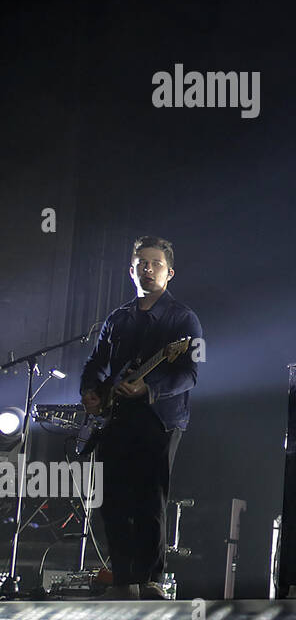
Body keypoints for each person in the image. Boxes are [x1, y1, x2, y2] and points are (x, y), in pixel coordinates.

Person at [80, 236, 202, 600]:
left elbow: (190, 374)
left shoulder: (184, 319)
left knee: (150, 500)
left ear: (170, 273)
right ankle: (123, 580)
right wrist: (90, 391)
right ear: (131, 270)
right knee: (112, 501)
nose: (148, 269)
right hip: (116, 417)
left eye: (156, 264)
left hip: (159, 419)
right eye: (142, 264)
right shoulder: (117, 318)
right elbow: (96, 362)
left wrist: (149, 389)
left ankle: (150, 581)